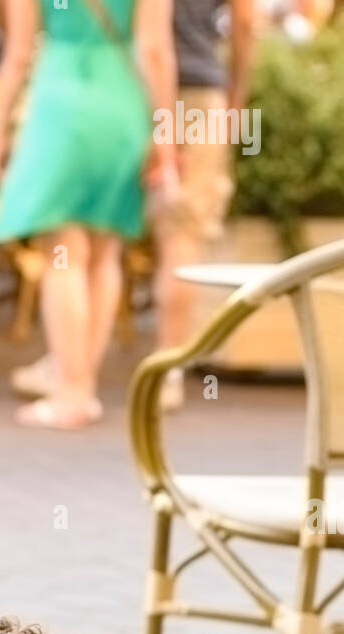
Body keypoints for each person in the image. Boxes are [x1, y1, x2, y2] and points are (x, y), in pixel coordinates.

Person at [0, 0, 178, 429]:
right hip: (122, 105)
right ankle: (83, 387)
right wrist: (164, 137)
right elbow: (156, 51)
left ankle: (70, 392)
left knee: (63, 255)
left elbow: (19, 52)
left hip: (62, 103)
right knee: (104, 254)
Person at [155, 0, 255, 411]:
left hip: (133, 86)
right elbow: (246, 21)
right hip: (200, 92)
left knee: (99, 232)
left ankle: (74, 368)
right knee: (185, 232)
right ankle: (169, 368)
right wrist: (237, 95)